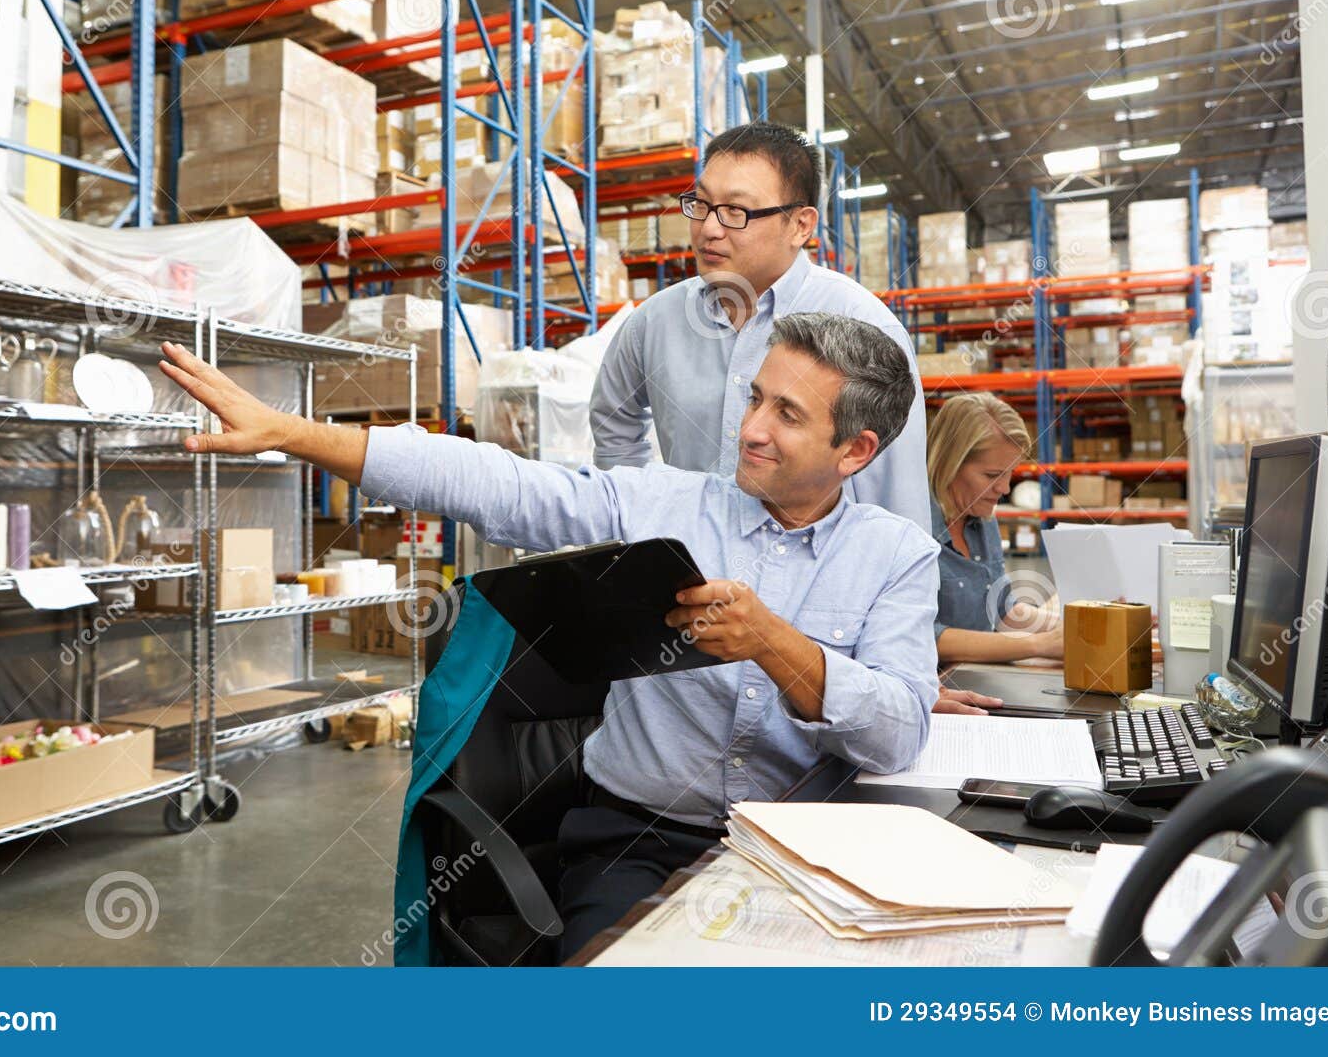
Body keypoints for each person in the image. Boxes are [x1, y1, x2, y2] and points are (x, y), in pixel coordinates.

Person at [157, 312, 938, 960]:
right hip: (637, 842)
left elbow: (899, 732)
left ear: (855, 450)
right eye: (757, 398)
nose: (752, 429)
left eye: (788, 414)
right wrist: (295, 432)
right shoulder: (661, 504)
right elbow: (496, 482)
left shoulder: (896, 558)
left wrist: (773, 641)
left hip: (807, 858)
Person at [589, 121, 929, 531]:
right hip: (688, 574)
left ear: (800, 225)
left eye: (736, 212)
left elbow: (896, 498)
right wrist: (642, 516)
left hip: (814, 582)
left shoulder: (864, 325)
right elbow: (613, 421)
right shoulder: (654, 322)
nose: (709, 229)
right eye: (700, 204)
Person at [927, 393, 1064, 690]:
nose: (1003, 488)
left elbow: (1004, 610)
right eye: (991, 475)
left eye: (1009, 473)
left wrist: (1081, 623)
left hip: (980, 678)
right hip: (935, 692)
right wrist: (1040, 645)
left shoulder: (982, 519)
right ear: (950, 463)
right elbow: (927, 635)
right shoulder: (913, 526)